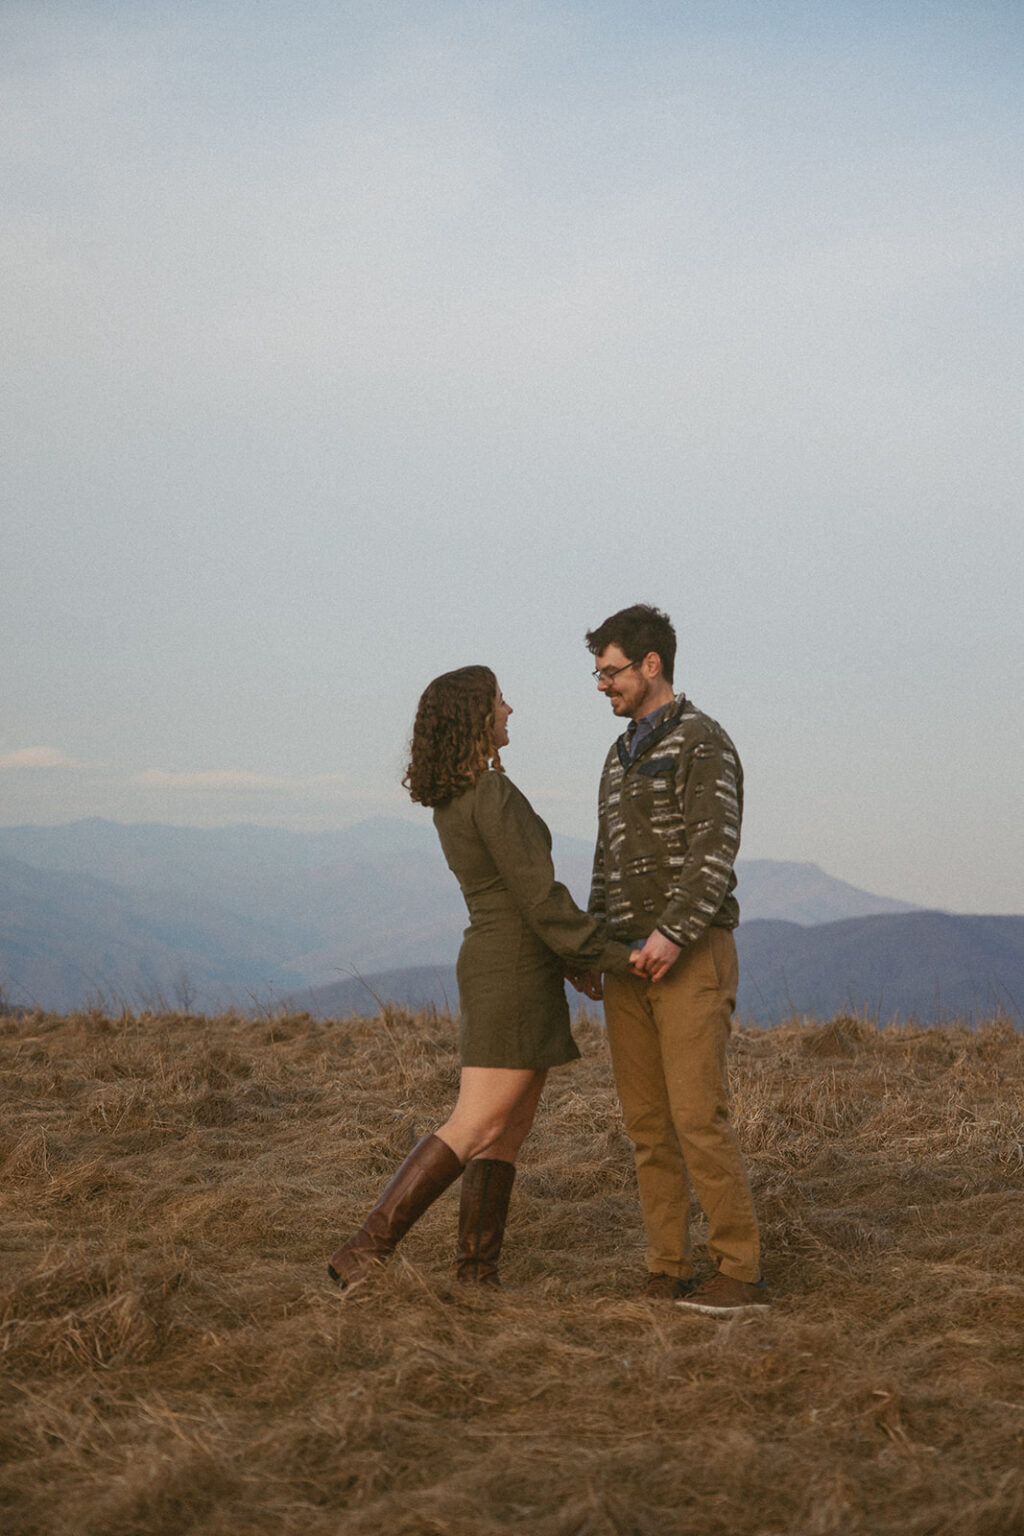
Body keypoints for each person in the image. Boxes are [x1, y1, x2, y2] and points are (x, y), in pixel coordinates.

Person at [327, 664, 637, 1291]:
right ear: (476, 717)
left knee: (506, 1131)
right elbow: (540, 897)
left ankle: (477, 1275)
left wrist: (572, 961)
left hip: (515, 964)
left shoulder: (458, 798)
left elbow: (527, 901)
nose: (510, 710)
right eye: (500, 701)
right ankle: (364, 1250)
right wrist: (616, 956)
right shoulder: (490, 796)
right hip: (512, 971)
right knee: (476, 1124)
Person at [583, 604, 768, 1314]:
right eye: (599, 674)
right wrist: (599, 947)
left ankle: (739, 1271)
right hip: (627, 967)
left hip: (688, 958)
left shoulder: (703, 743)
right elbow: (607, 858)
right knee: (647, 1126)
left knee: (697, 1116)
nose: (603, 685)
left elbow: (714, 853)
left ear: (651, 665)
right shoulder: (619, 752)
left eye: (611, 672)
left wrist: (672, 934)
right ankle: (667, 1265)